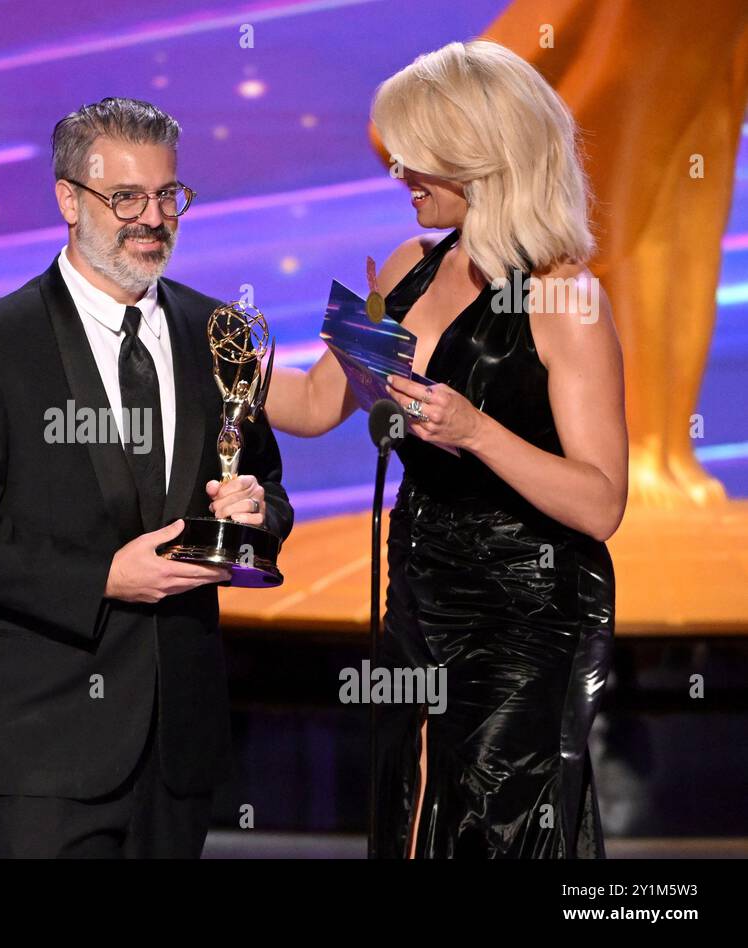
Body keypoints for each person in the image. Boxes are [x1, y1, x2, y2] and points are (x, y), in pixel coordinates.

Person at [0, 97, 294, 858]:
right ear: (68, 199)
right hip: (42, 744)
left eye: (167, 195)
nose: (152, 218)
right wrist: (101, 579)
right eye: (125, 198)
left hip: (177, 745)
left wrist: (255, 512)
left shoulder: (222, 334)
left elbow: (269, 487)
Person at [265, 41, 626, 857]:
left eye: (416, 156)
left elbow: (601, 503)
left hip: (525, 606)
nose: (399, 173)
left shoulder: (566, 296)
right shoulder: (406, 268)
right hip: (420, 584)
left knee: (495, 818)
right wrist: (206, 349)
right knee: (411, 801)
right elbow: (320, 401)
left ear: (481, 156)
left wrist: (477, 433)